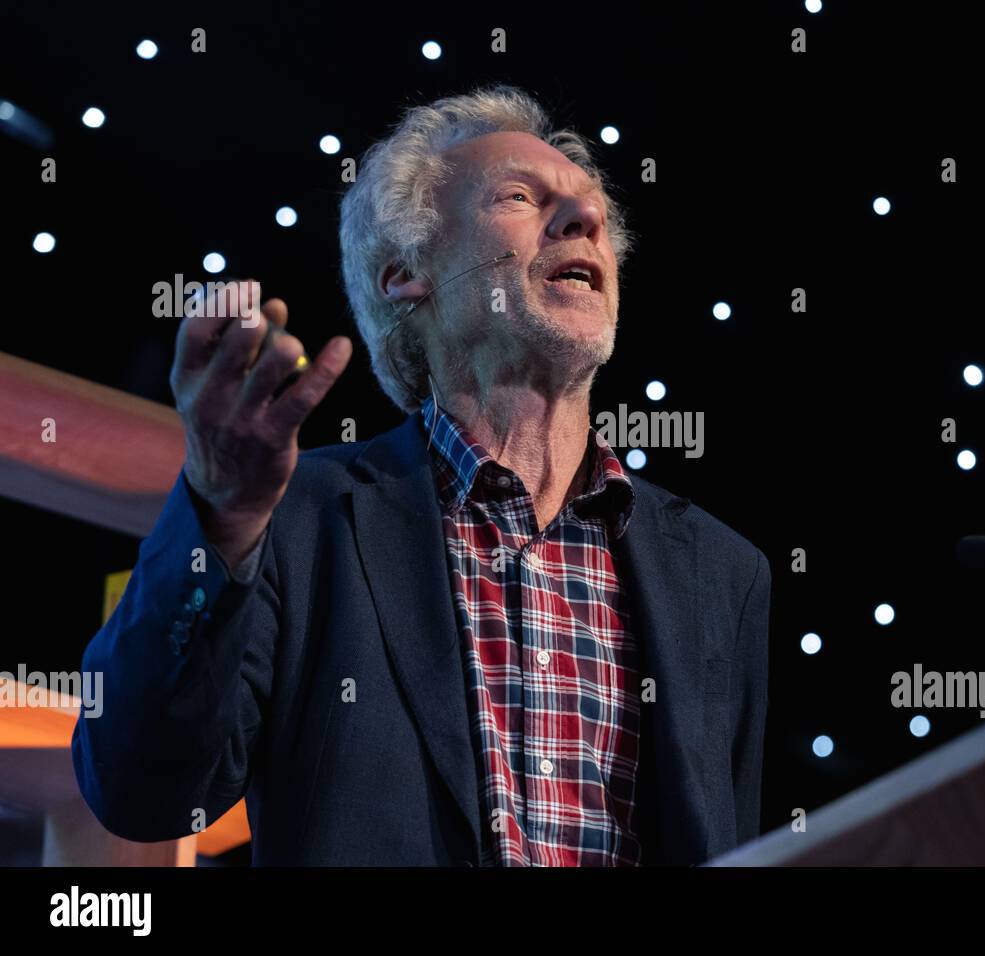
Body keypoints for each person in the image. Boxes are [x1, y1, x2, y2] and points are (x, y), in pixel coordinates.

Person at [73, 83, 770, 866]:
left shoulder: (722, 573)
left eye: (591, 209)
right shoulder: (301, 517)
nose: (585, 220)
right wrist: (220, 512)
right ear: (407, 273)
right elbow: (142, 790)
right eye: (518, 196)